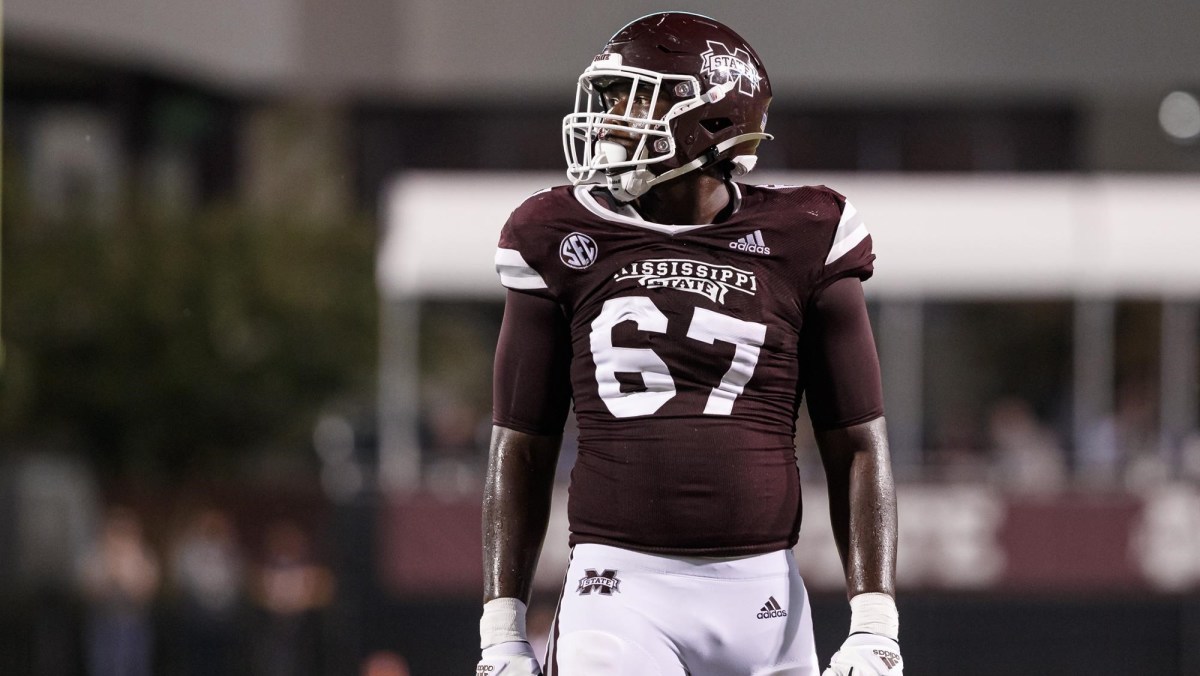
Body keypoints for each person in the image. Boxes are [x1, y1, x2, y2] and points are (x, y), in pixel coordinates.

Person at [479, 12, 901, 676]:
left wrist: (876, 621)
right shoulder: (557, 232)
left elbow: (856, 442)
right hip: (618, 592)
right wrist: (501, 629)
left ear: (709, 120)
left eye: (634, 99)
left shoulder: (809, 231)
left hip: (765, 599)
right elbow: (521, 446)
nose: (611, 120)